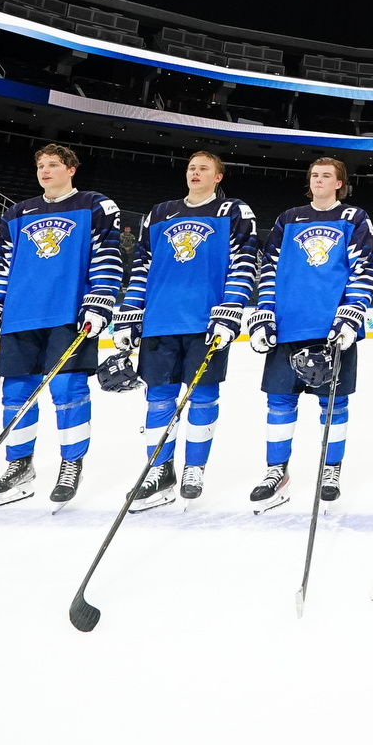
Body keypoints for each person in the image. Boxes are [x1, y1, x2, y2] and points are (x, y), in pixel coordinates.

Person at [0, 144, 123, 509]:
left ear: (71, 169)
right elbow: (0, 266)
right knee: (16, 394)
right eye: (41, 166)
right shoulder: (18, 212)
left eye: (53, 165)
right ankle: (18, 467)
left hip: (69, 314)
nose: (45, 171)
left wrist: (100, 299)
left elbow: (107, 254)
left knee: (67, 388)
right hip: (20, 316)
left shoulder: (94, 204)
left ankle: (70, 464)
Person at [110, 150, 257, 510]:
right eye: (191, 167)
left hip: (206, 322)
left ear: (218, 177)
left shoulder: (233, 211)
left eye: (204, 168)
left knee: (203, 397)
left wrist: (230, 310)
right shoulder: (160, 213)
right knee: (158, 398)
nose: (195, 172)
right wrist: (130, 313)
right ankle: (159, 472)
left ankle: (194, 468)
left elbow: (244, 261)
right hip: (160, 320)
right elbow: (142, 265)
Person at [246, 157, 373, 511]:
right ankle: (277, 471)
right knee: (279, 401)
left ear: (340, 183)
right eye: (314, 175)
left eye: (326, 176)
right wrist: (264, 313)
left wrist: (351, 315)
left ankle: (331, 469)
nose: (318, 180)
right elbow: (269, 269)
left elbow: (364, 269)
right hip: (288, 325)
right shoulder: (288, 219)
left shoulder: (354, 219)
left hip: (331, 328)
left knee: (333, 402)